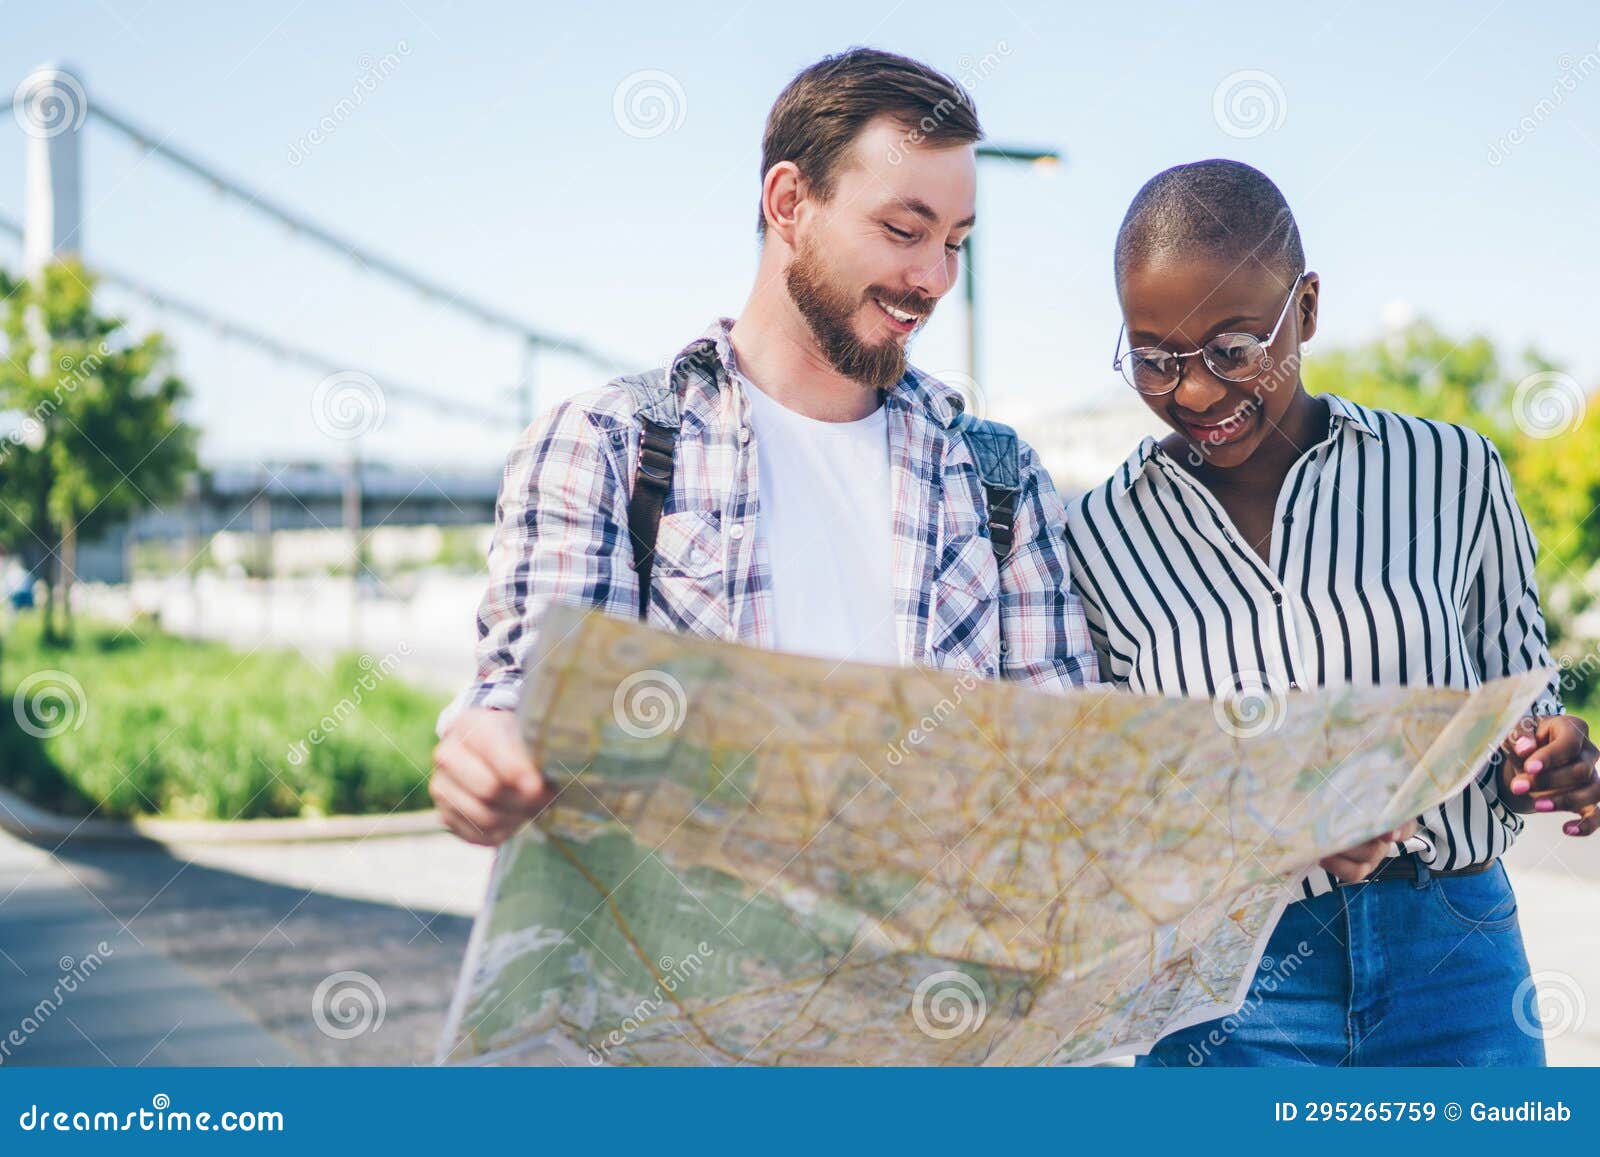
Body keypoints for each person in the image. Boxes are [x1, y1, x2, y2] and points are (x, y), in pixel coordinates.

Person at [430, 48, 1099, 848]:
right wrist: (489, 745)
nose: (933, 277)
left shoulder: (1002, 480)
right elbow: (528, 701)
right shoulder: (604, 448)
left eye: (955, 242)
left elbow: (1061, 770)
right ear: (789, 202)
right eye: (903, 230)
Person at [1063, 159, 1600, 1066]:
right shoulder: (1098, 539)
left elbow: (1522, 692)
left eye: (1233, 349)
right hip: (1226, 990)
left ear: (1305, 309)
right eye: (1154, 359)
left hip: (1454, 959)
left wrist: (1550, 755)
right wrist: (1271, 830)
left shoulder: (1452, 473)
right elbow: (1106, 801)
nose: (1194, 391)